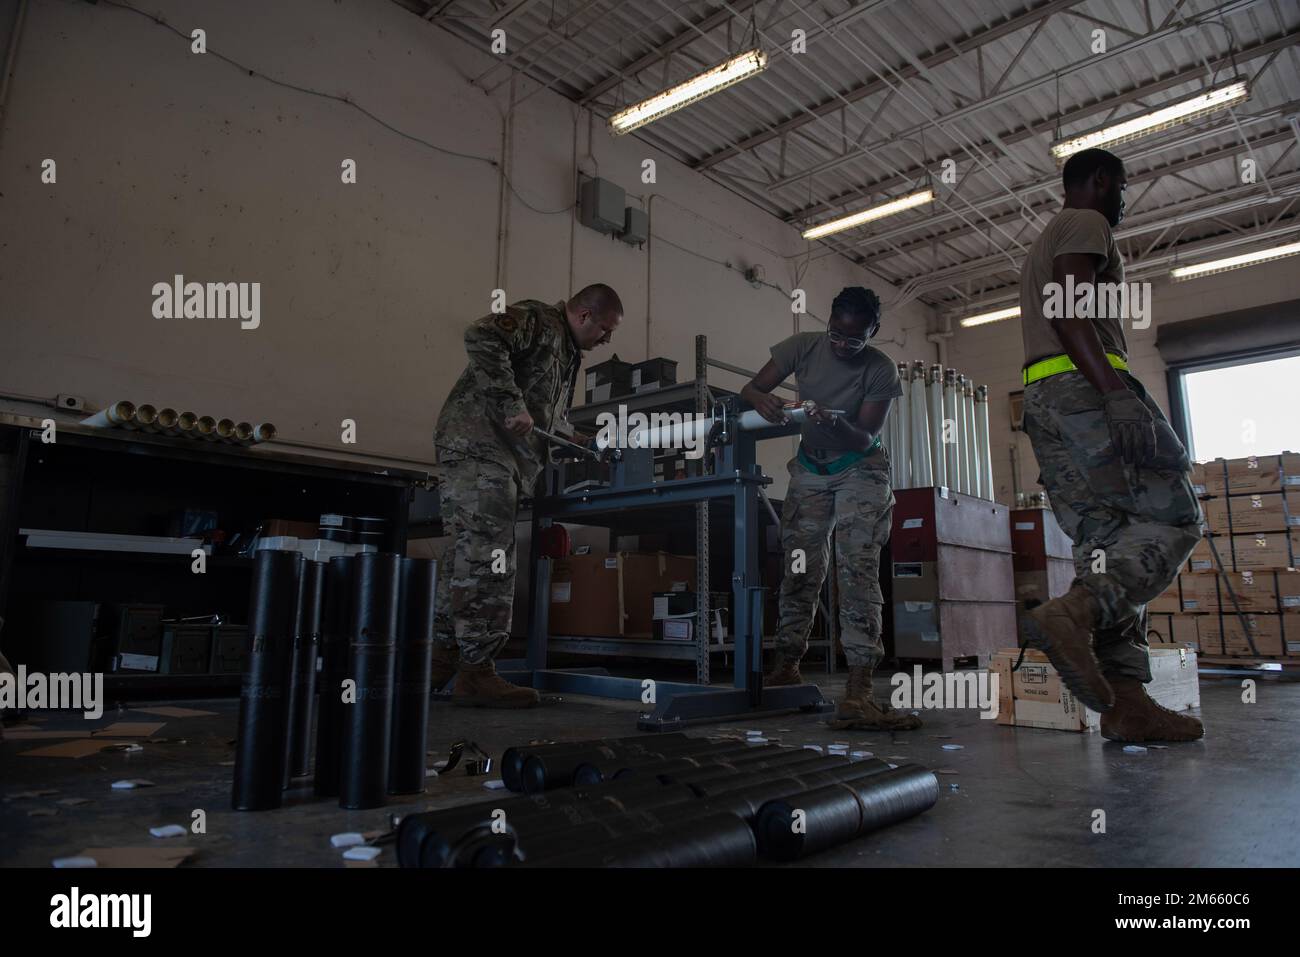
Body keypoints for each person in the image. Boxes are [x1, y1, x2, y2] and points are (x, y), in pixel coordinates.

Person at [1016, 147, 1203, 742]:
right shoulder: (1086, 221)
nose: (1123, 198)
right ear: (1100, 181)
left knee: (1106, 541)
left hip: (1047, 400)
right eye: (1121, 186)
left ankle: (1126, 705)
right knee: (1175, 516)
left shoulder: (1051, 235)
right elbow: (1073, 314)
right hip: (1087, 391)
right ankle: (1074, 614)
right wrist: (1114, 392)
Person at [432, 285, 623, 708]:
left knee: (465, 556)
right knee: (490, 557)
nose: (607, 340)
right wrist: (509, 403)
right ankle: (477, 673)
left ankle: (443, 659)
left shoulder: (567, 352)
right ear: (585, 315)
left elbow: (543, 418)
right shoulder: (539, 322)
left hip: (495, 454)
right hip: (481, 446)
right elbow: (480, 335)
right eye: (606, 330)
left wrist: (578, 440)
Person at [740, 287, 919, 731]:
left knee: (856, 568)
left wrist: (836, 423)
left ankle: (859, 687)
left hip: (860, 467)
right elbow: (753, 386)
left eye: (853, 340)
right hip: (810, 469)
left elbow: (865, 437)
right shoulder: (802, 347)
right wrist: (761, 399)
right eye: (835, 333)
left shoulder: (880, 369)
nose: (841, 345)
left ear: (873, 333)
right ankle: (787, 667)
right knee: (799, 568)